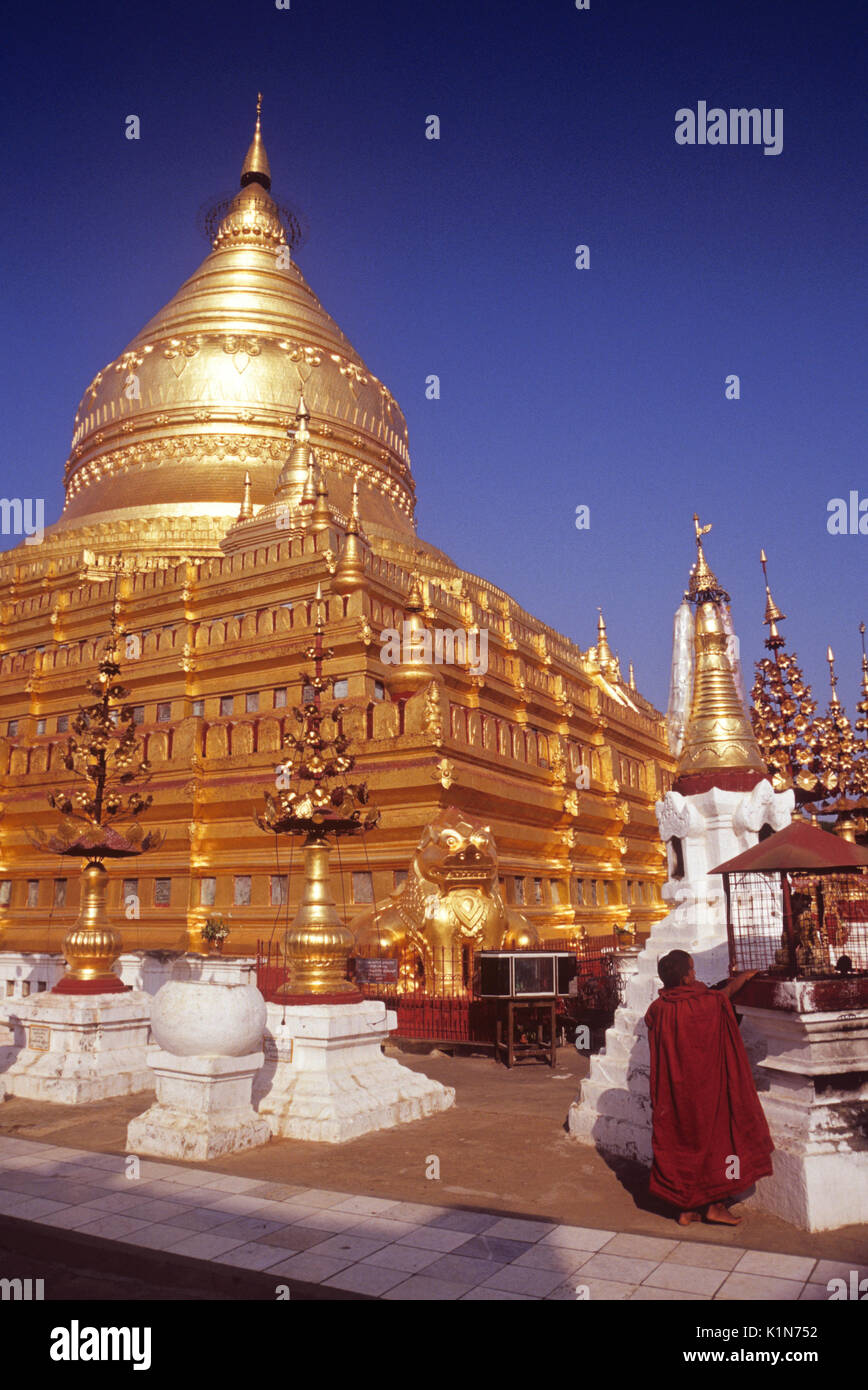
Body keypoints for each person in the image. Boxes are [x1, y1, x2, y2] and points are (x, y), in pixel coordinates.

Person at [644, 949, 773, 1226]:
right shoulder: (704, 1003)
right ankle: (715, 1206)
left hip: (674, 1095)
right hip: (707, 1091)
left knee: (683, 1144)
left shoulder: (657, 1009)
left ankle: (686, 1209)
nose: (694, 973)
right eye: (691, 970)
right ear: (685, 977)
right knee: (717, 1143)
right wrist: (746, 977)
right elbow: (723, 996)